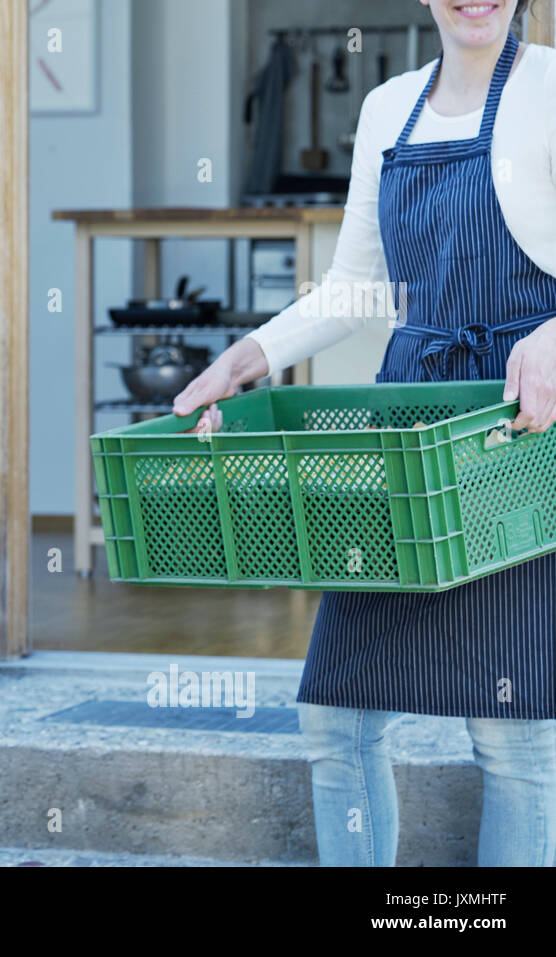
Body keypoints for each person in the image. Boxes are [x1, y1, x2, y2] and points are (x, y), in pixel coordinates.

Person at [173, 0, 556, 865]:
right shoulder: (388, 107)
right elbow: (356, 287)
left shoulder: (553, 88)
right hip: (408, 433)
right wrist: (246, 358)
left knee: (513, 731)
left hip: (514, 436)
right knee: (337, 711)